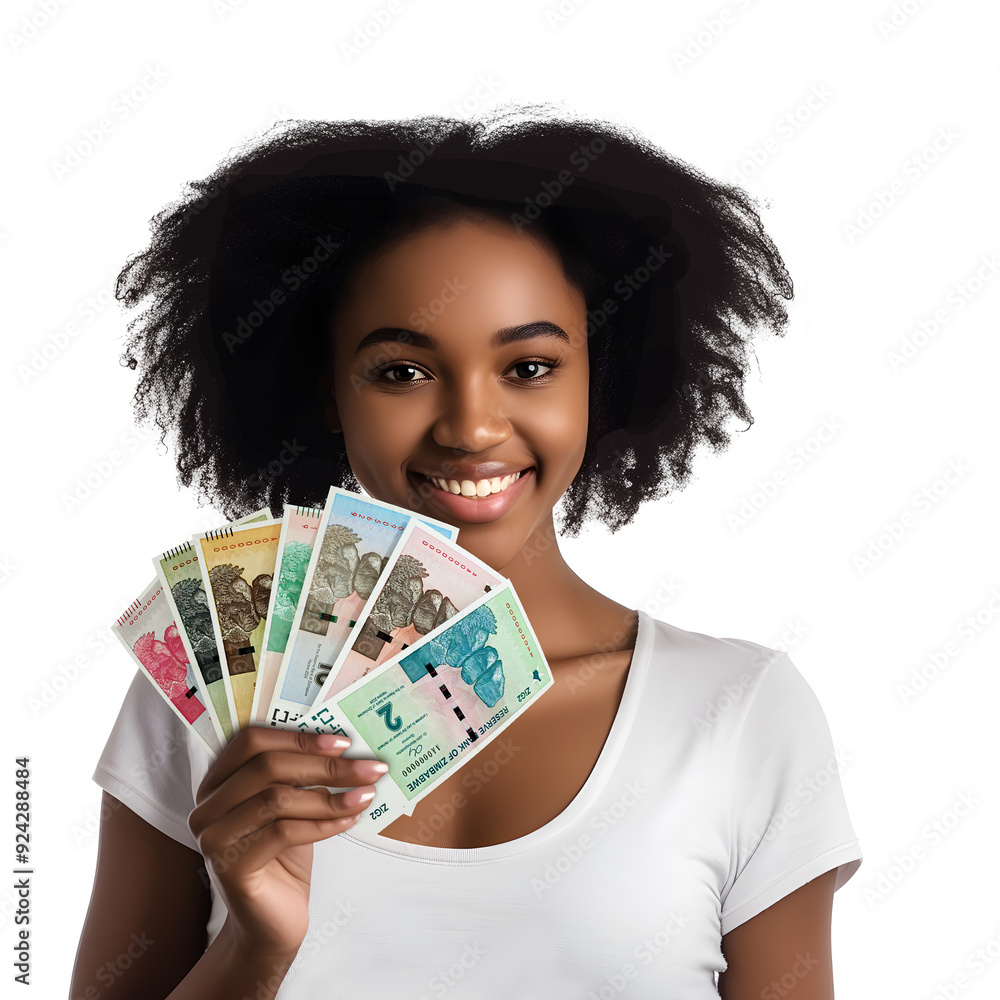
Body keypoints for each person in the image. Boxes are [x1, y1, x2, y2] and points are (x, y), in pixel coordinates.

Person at [71, 105, 863, 998]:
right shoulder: (212, 694)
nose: (472, 426)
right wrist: (256, 941)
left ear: (602, 379)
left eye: (529, 367)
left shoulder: (739, 714)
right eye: (402, 371)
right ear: (328, 392)